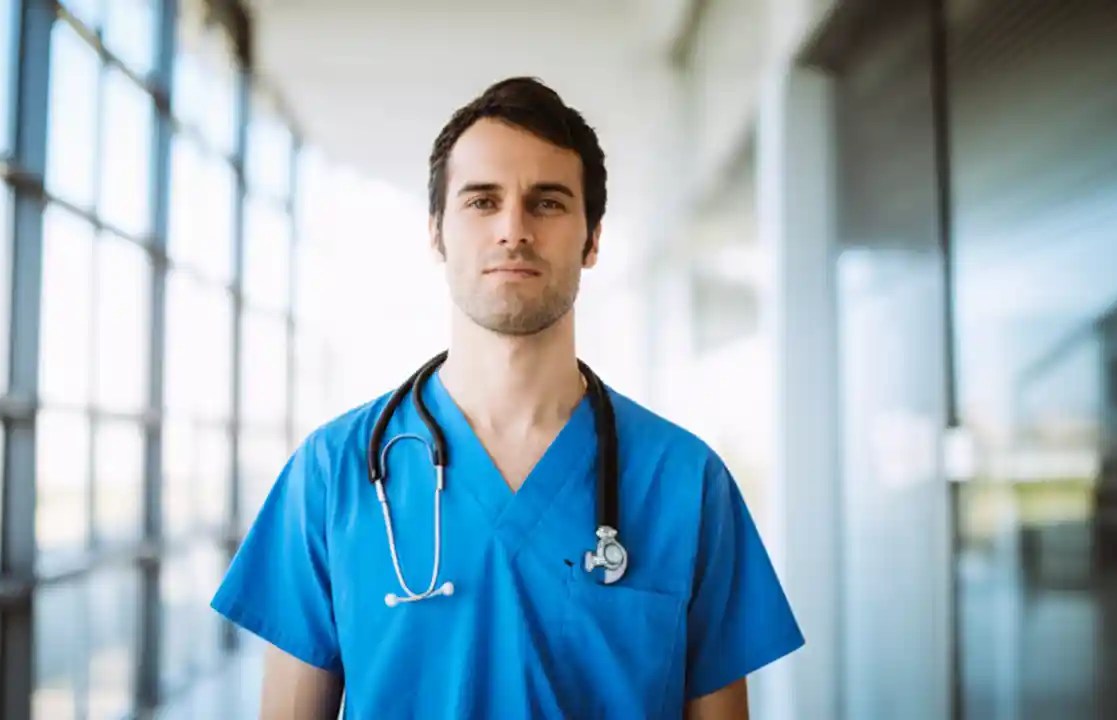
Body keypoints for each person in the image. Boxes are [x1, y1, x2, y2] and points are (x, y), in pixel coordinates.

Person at [211, 76, 804, 719]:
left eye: (547, 203)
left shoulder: (686, 483)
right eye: (482, 201)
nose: (513, 229)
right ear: (437, 232)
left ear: (593, 237)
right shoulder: (333, 475)